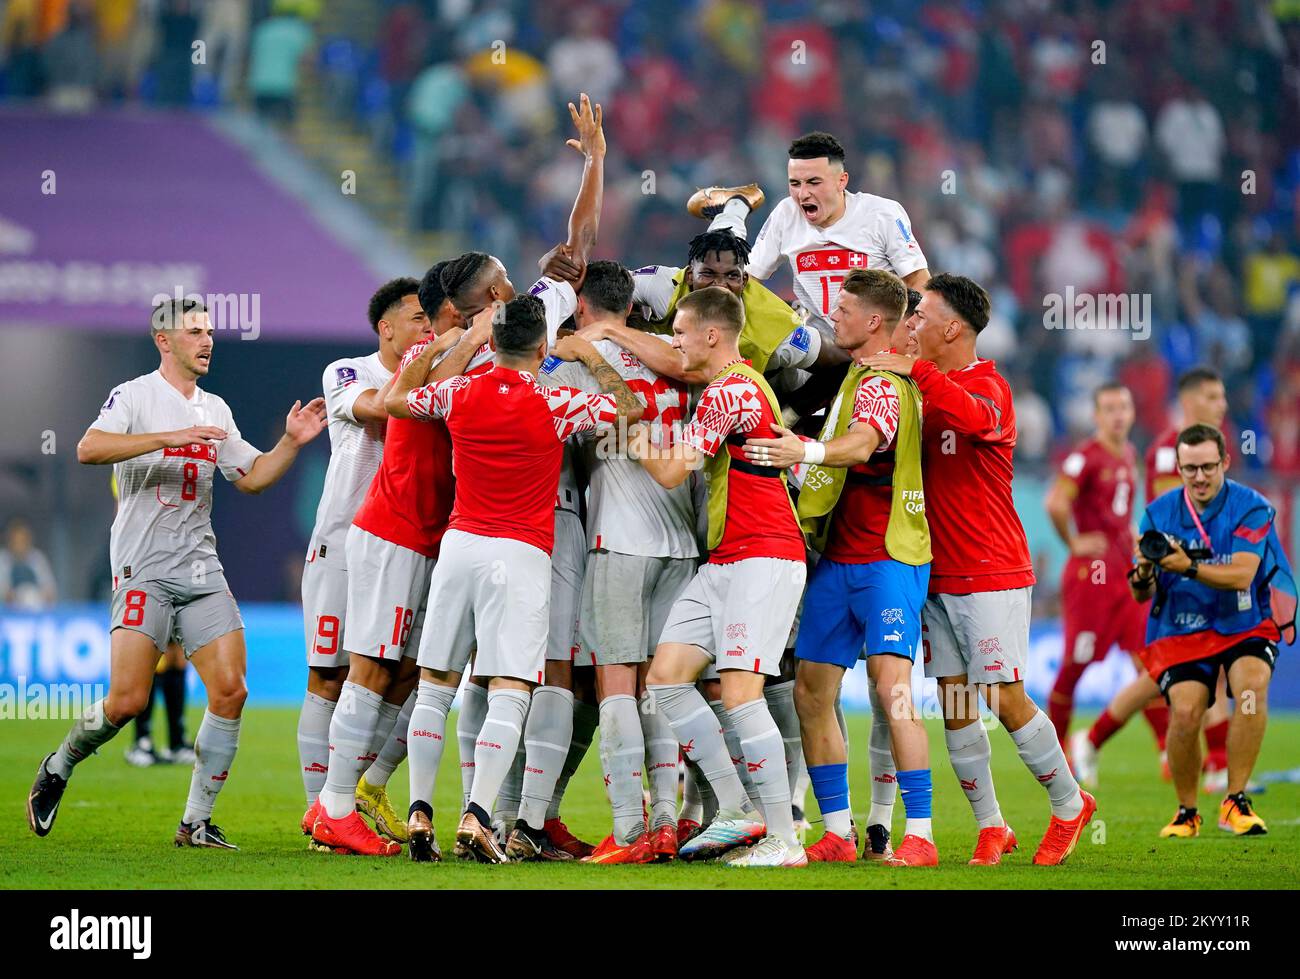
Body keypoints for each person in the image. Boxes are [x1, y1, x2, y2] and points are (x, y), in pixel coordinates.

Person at [26, 298, 327, 849]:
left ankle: (195, 823)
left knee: (231, 691)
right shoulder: (134, 396)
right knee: (126, 702)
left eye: (209, 331)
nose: (207, 340)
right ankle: (60, 764)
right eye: (194, 331)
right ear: (164, 340)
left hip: (201, 568)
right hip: (143, 569)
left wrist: (289, 442)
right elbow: (89, 448)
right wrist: (167, 439)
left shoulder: (216, 409)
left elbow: (253, 476)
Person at [390, 296, 641, 864]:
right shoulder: (555, 399)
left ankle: (420, 811)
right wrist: (593, 360)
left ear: (492, 343)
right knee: (510, 687)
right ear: (543, 347)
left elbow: (394, 401)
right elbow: (629, 407)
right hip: (522, 552)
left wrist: (460, 345)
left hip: (458, 547)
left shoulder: (458, 391)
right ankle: (479, 817)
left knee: (436, 684)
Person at [863, 274, 1096, 867]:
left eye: (922, 316)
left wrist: (913, 370)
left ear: (952, 329)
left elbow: (970, 416)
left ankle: (1070, 805)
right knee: (957, 701)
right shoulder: (918, 387)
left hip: (990, 568)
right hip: (934, 571)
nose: (910, 325)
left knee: (1004, 695)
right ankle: (992, 825)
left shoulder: (989, 385)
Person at [741, 269, 937, 867]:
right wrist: (795, 451)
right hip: (839, 558)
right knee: (811, 693)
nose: (834, 316)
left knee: (893, 692)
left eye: (845, 308)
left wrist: (807, 450)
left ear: (875, 321)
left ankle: (921, 835)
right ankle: (837, 831)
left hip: (888, 558)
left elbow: (863, 444)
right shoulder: (855, 375)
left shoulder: (880, 380)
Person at [635, 287, 809, 869]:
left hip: (764, 555)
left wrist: (632, 431)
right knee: (666, 678)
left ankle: (785, 840)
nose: (674, 341)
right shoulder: (740, 385)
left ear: (712, 334)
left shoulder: (729, 390)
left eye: (680, 331)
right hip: (728, 557)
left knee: (740, 691)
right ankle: (737, 806)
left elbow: (669, 472)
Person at [545, 260, 698, 863]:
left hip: (617, 538)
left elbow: (546, 430)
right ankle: (665, 819)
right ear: (633, 308)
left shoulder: (575, 363)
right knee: (661, 689)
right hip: (683, 542)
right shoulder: (671, 349)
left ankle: (629, 829)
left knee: (616, 688)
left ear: (582, 309)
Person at [296, 276, 434, 843]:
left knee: (409, 672)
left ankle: (357, 790)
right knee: (330, 677)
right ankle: (320, 813)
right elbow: (382, 408)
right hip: (344, 538)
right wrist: (437, 360)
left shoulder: (435, 370)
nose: (427, 328)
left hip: (404, 544)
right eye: (417, 319)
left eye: (431, 319)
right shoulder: (347, 371)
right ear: (386, 327)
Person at [1130, 424, 1294, 839]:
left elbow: (1243, 574)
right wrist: (1145, 573)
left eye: (1207, 467)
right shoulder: (1157, 514)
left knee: (1251, 690)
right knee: (1185, 713)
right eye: (1190, 469)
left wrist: (1186, 566)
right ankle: (1187, 812)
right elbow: (1140, 594)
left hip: (1245, 620)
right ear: (1180, 468)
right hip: (1183, 624)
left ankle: (1235, 800)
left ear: (1225, 462)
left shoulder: (1251, 506)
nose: (1199, 477)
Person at [1075, 367, 1232, 788]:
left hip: (1199, 568)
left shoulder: (1208, 447)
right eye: (1215, 397)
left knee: (1193, 665)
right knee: (1166, 668)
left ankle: (1217, 762)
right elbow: (1175, 516)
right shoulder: (1167, 450)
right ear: (1192, 400)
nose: (1224, 405)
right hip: (1177, 575)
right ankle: (1091, 739)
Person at [690, 131, 930, 345]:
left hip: (876, 342)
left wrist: (912, 340)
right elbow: (746, 279)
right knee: (722, 276)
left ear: (841, 181)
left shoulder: (882, 214)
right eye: (795, 183)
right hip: (821, 344)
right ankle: (735, 208)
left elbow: (919, 280)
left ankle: (735, 207)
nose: (803, 194)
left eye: (814, 182)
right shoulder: (787, 213)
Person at [1043, 383, 1160, 755]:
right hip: (1090, 577)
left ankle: (1166, 751)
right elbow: (1055, 503)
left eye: (1124, 406)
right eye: (1109, 408)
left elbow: (1118, 513)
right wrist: (1074, 542)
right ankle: (1057, 748)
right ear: (1096, 416)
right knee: (1077, 661)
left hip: (1126, 574)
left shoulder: (1128, 453)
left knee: (1149, 661)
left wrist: (1130, 537)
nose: (1118, 414)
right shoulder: (1085, 457)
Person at [0, 517, 57, 609]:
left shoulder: (38, 559)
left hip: (36, 612)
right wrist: (19, 598)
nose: (19, 545)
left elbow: (50, 592)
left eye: (22, 540)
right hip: (6, 614)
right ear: (9, 541)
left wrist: (34, 598)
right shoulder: (2, 559)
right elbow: (3, 593)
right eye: (16, 541)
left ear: (28, 541)